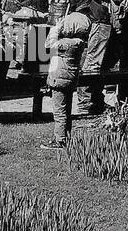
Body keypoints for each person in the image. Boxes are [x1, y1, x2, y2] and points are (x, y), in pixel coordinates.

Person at [40, 9, 93, 149]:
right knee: (66, 110)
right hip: (69, 80)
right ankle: (66, 137)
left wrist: (56, 28)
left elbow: (48, 44)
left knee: (59, 112)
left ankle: (60, 140)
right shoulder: (79, 42)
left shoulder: (67, 43)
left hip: (60, 81)